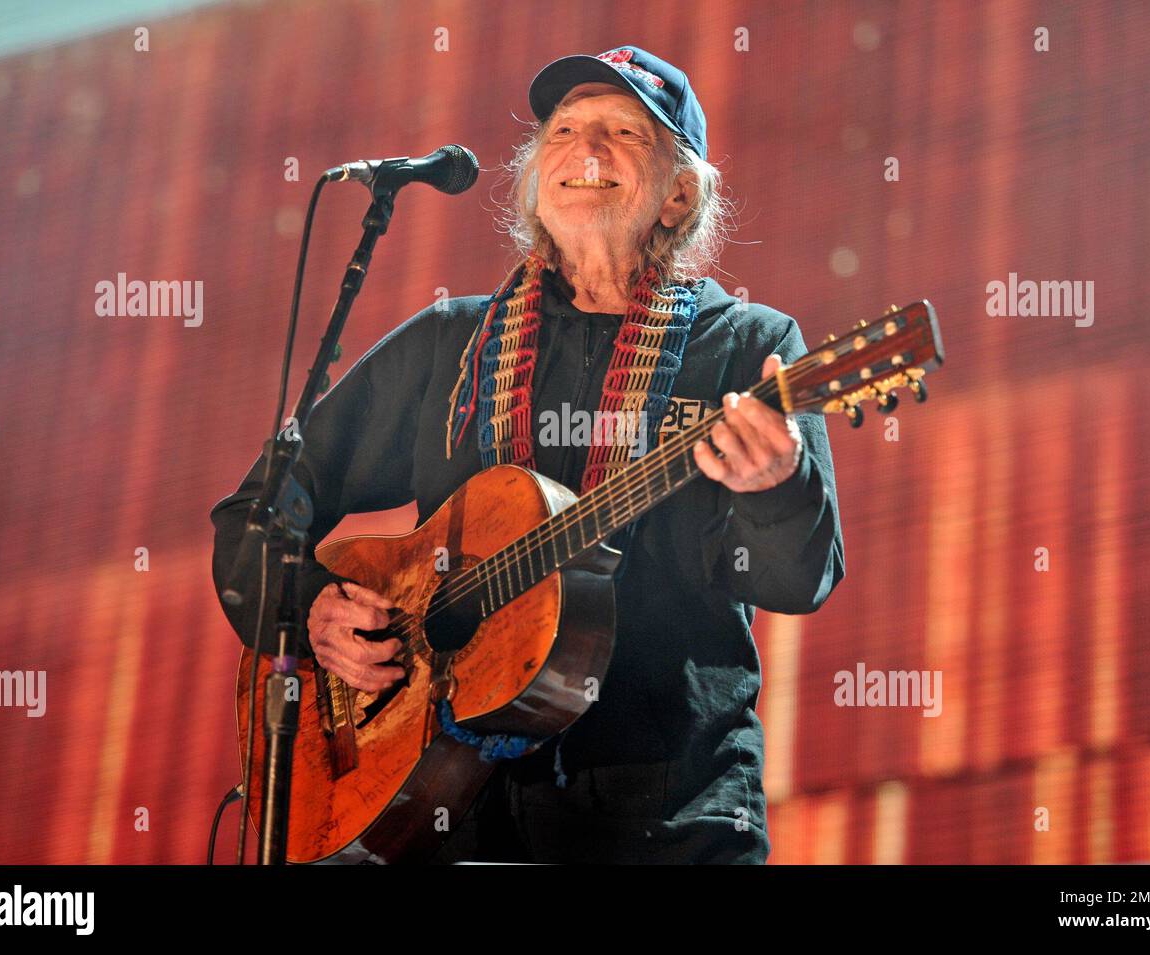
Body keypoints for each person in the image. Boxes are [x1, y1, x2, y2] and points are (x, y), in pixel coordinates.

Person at [211, 44, 845, 864]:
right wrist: (314, 607)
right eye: (566, 129)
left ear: (679, 193)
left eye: (625, 132)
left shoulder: (748, 350)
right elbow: (254, 518)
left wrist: (777, 484)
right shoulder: (450, 343)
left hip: (666, 814)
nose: (588, 150)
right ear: (534, 182)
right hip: (449, 811)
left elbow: (800, 577)